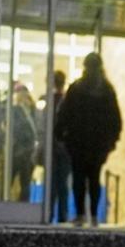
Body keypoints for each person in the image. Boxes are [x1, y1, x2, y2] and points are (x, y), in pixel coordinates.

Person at [56, 52, 121, 226]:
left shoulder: (76, 88)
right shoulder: (107, 90)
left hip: (77, 142)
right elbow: (115, 119)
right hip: (98, 145)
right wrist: (111, 141)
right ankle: (92, 214)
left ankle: (80, 214)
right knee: (94, 179)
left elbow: (64, 114)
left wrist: (60, 135)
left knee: (78, 179)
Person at [46, 70, 71, 222]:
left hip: (53, 148)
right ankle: (63, 215)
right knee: (62, 185)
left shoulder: (49, 101)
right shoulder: (68, 101)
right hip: (65, 148)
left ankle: (48, 215)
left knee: (52, 184)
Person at [10, 83, 37, 202]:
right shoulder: (16, 110)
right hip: (20, 151)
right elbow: (16, 129)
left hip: (26, 151)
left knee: (25, 181)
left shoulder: (31, 110)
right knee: (15, 179)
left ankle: (23, 202)